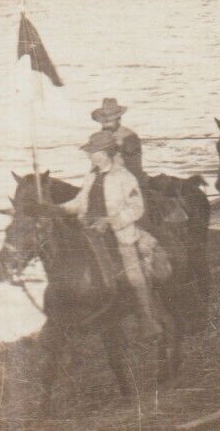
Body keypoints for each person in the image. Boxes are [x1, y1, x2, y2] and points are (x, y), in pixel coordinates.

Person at [59, 130, 161, 335]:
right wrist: (55, 209)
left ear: (105, 153)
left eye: (93, 152)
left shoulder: (124, 177)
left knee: (134, 275)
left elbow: (136, 208)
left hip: (119, 234)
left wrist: (110, 221)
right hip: (92, 231)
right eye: (90, 153)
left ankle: (148, 320)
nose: (89, 156)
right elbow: (79, 203)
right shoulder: (91, 176)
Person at [92, 98, 145, 184]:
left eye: (110, 120)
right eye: (103, 121)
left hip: (129, 183)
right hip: (110, 179)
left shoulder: (129, 137)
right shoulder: (102, 136)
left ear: (118, 119)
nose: (105, 124)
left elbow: (133, 170)